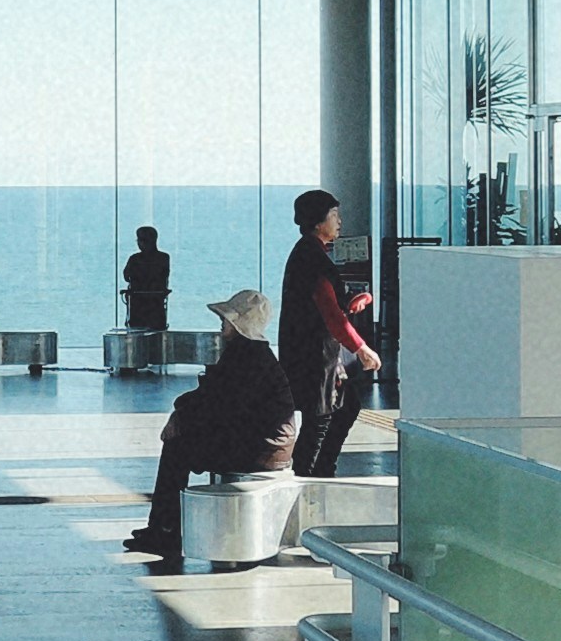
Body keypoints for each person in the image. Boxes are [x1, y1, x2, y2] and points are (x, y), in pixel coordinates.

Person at [125, 289, 298, 562]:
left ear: (240, 324)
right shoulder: (250, 353)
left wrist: (180, 417)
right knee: (183, 441)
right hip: (264, 444)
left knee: (177, 448)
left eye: (227, 319)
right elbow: (216, 399)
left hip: (261, 450)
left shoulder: (246, 356)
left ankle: (165, 529)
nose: (222, 323)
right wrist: (182, 413)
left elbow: (219, 404)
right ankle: (164, 526)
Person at [281, 188, 379, 477]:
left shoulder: (308, 253)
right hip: (315, 353)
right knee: (319, 418)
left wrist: (353, 303)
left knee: (345, 407)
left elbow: (328, 304)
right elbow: (329, 311)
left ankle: (322, 470)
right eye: (334, 215)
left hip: (313, 351)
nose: (340, 221)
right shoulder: (312, 258)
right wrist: (361, 348)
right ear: (317, 221)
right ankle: (307, 478)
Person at [120, 226, 172, 332]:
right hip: (156, 304)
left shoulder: (134, 259)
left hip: (138, 304)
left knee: (137, 332)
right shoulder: (164, 258)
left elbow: (126, 276)